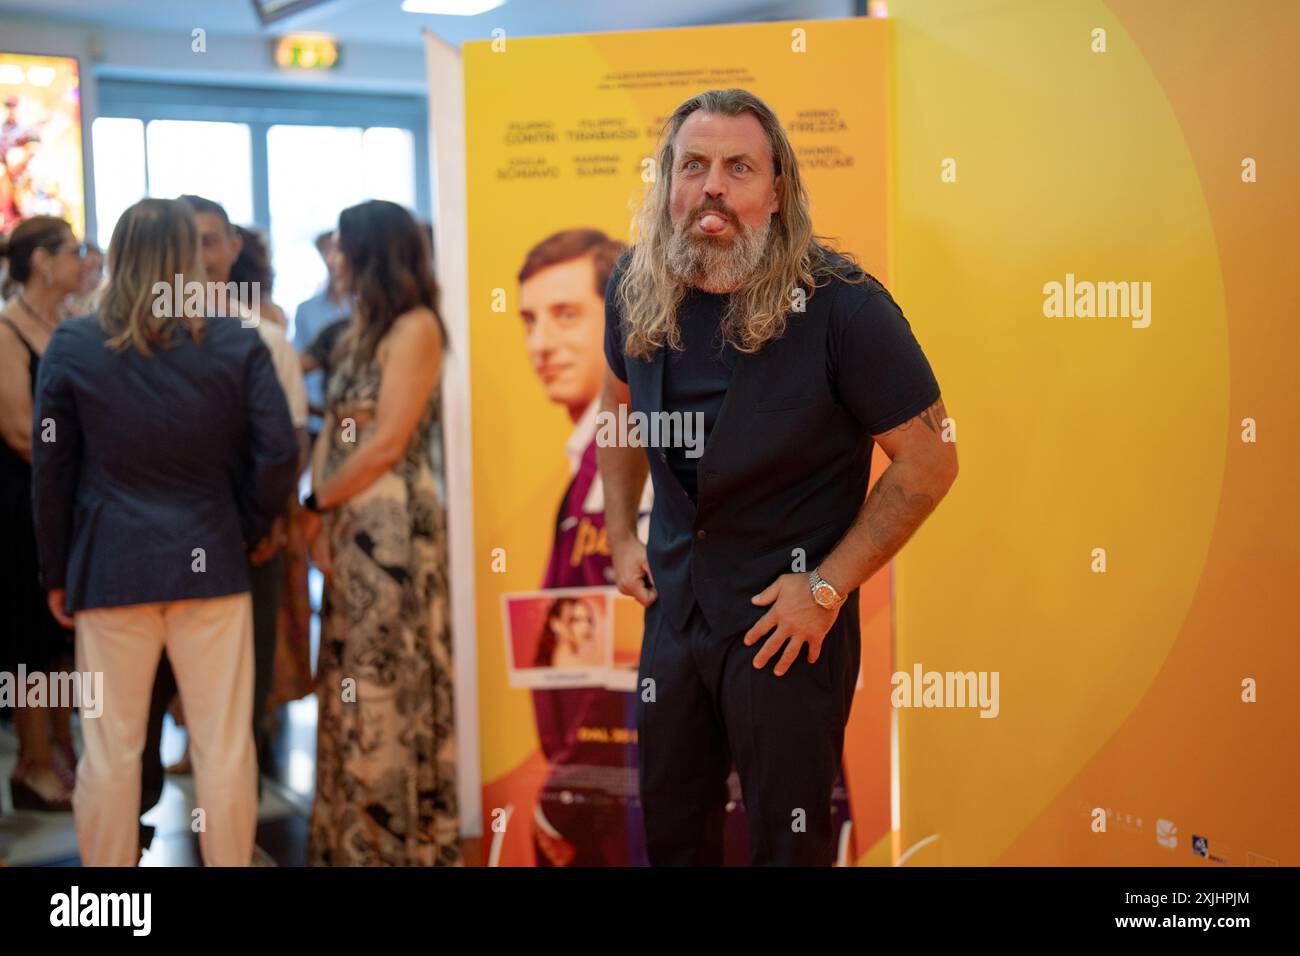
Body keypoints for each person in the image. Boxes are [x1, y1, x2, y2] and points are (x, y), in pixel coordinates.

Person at [599, 88, 959, 866]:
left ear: (778, 189)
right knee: (670, 834)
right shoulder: (634, 282)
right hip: (674, 610)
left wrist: (826, 589)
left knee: (787, 848)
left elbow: (931, 463)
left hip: (787, 624)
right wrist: (620, 528)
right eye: (692, 166)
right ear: (667, 183)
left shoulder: (847, 308)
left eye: (739, 167)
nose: (713, 188)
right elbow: (619, 405)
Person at [30, 197, 299, 865]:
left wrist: (57, 571)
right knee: (223, 744)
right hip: (212, 560)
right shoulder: (237, 340)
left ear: (117, 256)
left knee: (111, 747)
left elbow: (52, 470)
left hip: (110, 567)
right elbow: (279, 453)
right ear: (188, 257)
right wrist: (245, 525)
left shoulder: (73, 343)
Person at [303, 199, 458, 866]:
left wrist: (316, 503)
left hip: (394, 527)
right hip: (352, 521)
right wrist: (321, 517)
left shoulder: (418, 327)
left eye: (345, 246)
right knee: (348, 680)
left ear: (372, 254)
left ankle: (396, 843)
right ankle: (354, 840)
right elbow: (339, 427)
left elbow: (388, 441)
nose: (335, 258)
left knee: (386, 680)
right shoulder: (357, 329)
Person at [514, 227, 658, 866]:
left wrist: (574, 791)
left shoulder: (639, 460)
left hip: (630, 790)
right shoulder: (584, 460)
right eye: (529, 321)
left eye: (566, 315)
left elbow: (639, 651)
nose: (541, 344)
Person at [0, 216, 85, 810]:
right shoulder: (6, 330)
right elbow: (18, 429)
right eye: (73, 252)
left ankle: (63, 747)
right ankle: (32, 762)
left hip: (69, 496)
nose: (82, 264)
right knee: (28, 633)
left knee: (63, 635)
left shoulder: (72, 325)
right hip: (21, 499)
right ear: (42, 261)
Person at [293, 230, 350, 437]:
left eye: (338, 250)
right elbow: (292, 369)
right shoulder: (333, 329)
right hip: (329, 427)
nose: (332, 259)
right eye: (328, 251)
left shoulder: (403, 327)